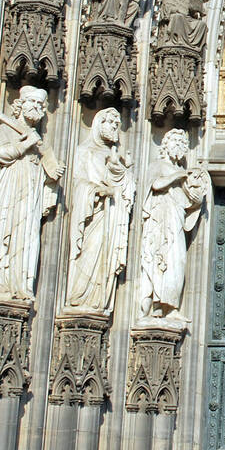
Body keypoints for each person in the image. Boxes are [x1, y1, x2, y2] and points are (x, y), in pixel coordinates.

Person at [0, 86, 63, 301]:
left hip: (30, 197)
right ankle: (0, 283)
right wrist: (26, 143)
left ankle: (20, 284)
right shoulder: (7, 129)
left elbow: (44, 170)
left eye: (40, 104)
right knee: (4, 233)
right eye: (32, 102)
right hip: (9, 193)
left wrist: (52, 175)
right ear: (21, 104)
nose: (36, 107)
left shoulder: (39, 140)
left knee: (27, 237)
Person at [62, 108, 135, 315]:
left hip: (110, 217)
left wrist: (124, 172)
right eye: (111, 123)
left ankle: (97, 301)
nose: (115, 127)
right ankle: (81, 300)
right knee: (89, 252)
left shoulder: (115, 157)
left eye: (117, 124)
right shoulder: (85, 151)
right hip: (93, 214)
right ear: (99, 123)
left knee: (103, 257)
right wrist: (97, 190)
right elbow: (78, 183)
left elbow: (125, 189)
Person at [138, 129, 209, 327]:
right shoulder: (159, 166)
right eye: (175, 142)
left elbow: (187, 203)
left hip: (176, 221)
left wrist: (197, 200)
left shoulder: (184, 173)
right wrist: (178, 175)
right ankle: (157, 306)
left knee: (177, 260)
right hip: (160, 224)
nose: (179, 146)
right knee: (162, 259)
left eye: (182, 143)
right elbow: (155, 185)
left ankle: (171, 308)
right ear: (165, 145)